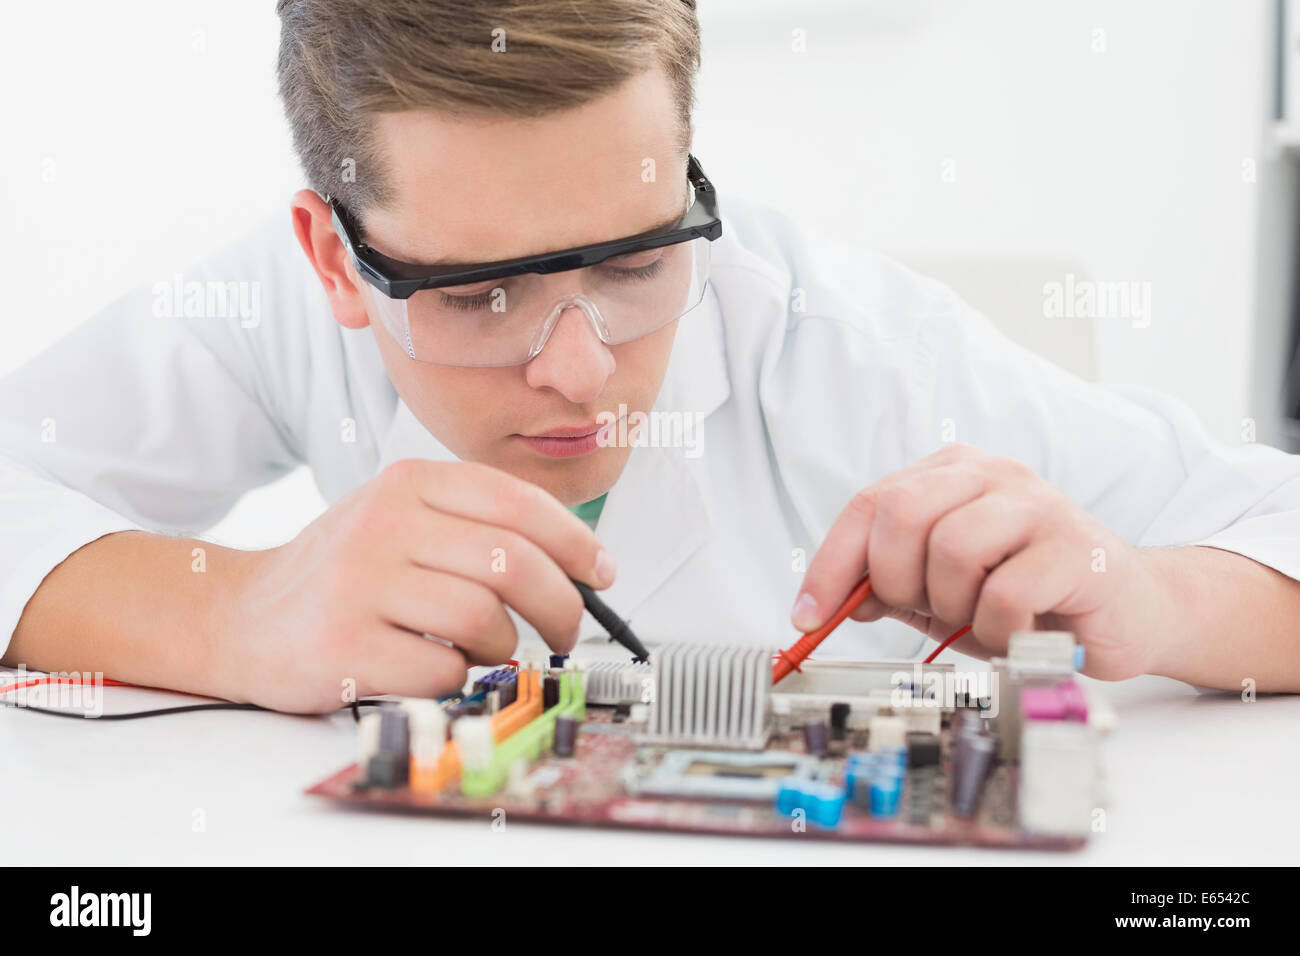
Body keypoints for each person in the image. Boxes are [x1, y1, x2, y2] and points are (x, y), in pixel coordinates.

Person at [3, 0, 1298, 714]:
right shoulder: (267, 311)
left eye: (633, 263)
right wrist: (228, 611)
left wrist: (1154, 598)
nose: (576, 369)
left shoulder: (858, 353)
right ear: (337, 262)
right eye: (482, 295)